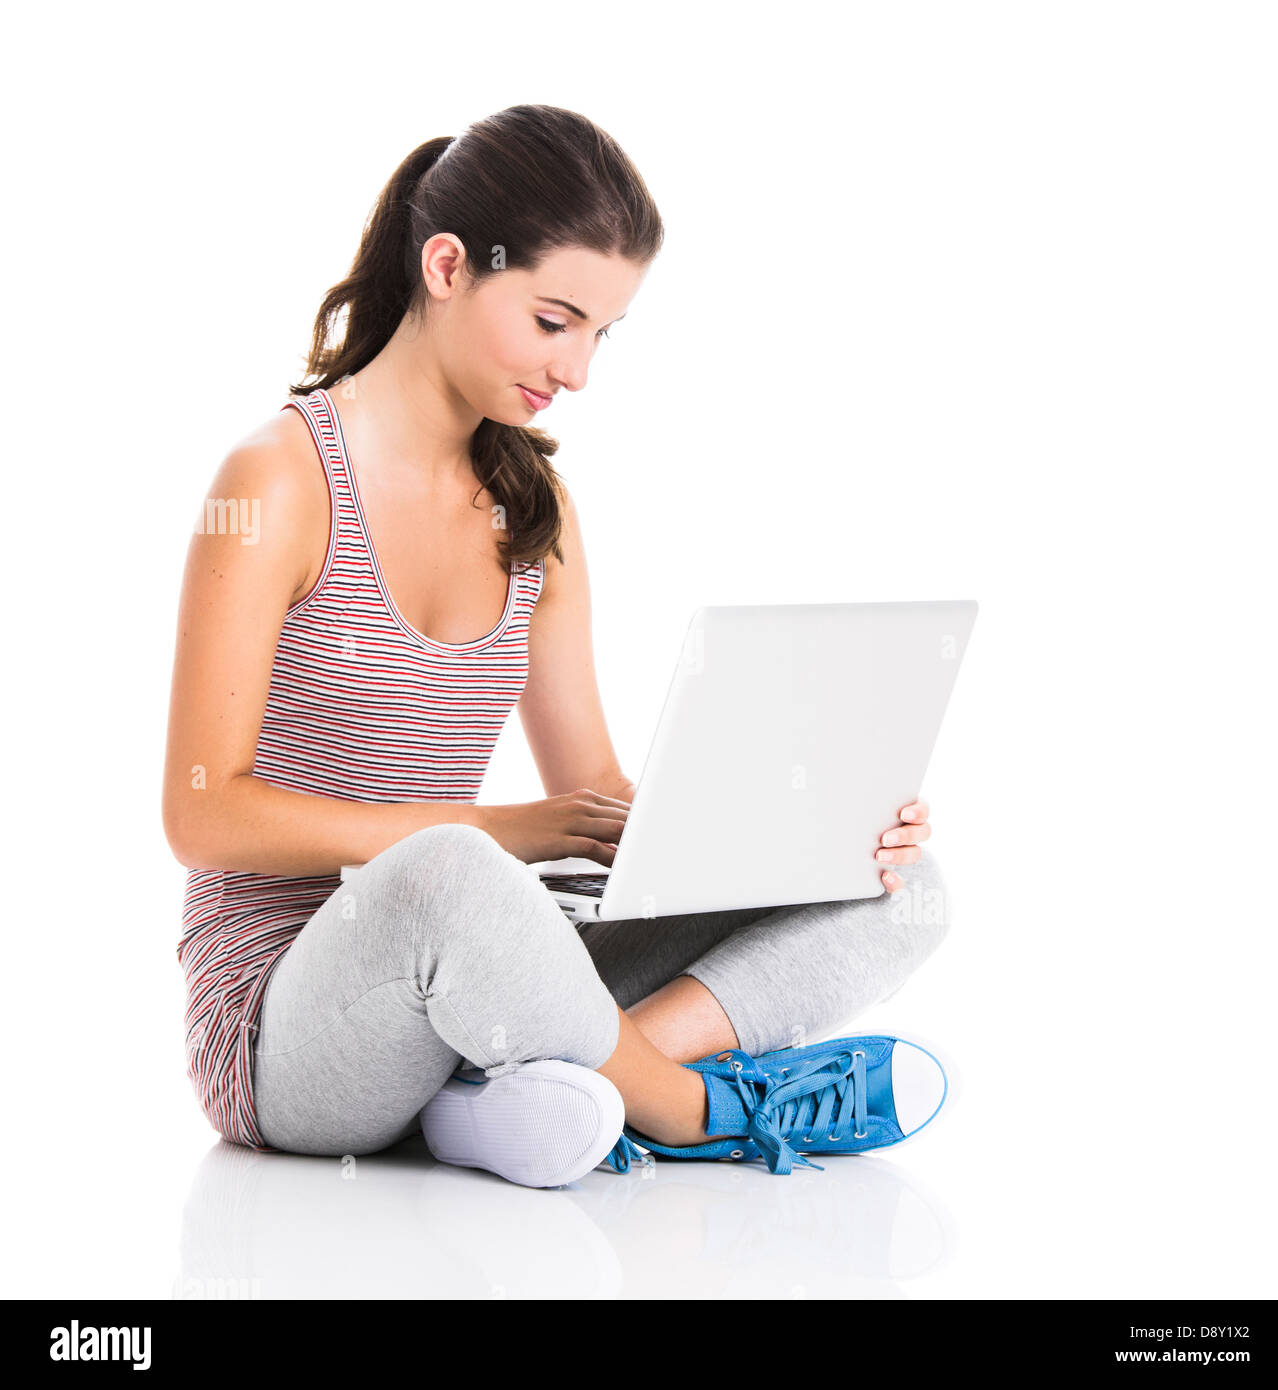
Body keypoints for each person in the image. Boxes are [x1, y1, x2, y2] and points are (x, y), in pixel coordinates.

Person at [162, 103, 955, 1190]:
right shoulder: (276, 482)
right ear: (447, 266)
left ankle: (534, 1084)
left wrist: (801, 831)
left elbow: (586, 796)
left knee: (904, 889)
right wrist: (504, 832)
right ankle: (690, 1104)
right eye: (553, 320)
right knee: (453, 868)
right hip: (286, 1017)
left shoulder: (537, 509)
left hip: (484, 953)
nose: (576, 370)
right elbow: (202, 814)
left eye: (600, 334)